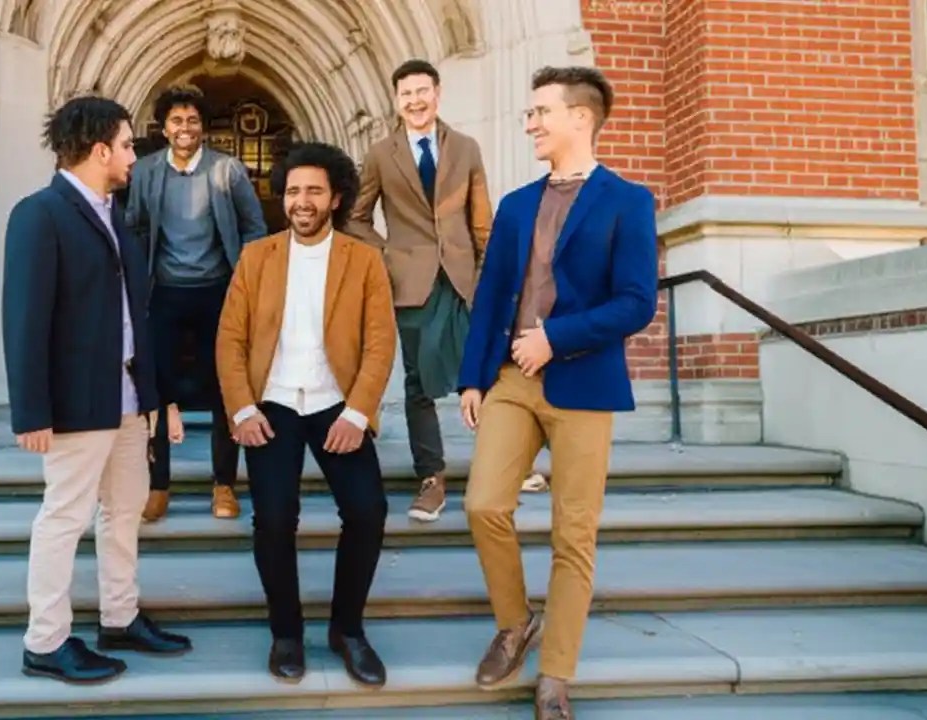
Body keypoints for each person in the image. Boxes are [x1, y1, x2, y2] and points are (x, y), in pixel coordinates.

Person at [456, 66, 658, 719]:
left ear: (581, 117)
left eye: (541, 111)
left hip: (584, 382)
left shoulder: (628, 201)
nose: (530, 122)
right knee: (484, 503)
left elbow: (635, 303)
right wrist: (471, 377)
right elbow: (490, 298)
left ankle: (555, 676)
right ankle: (515, 624)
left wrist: (558, 337)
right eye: (529, 112)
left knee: (575, 534)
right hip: (513, 380)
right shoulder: (516, 205)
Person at [2, 95, 192, 685]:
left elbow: (139, 315)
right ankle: (47, 640)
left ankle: (120, 615)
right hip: (76, 404)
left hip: (130, 402)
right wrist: (31, 409)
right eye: (130, 144)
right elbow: (25, 318)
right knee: (64, 518)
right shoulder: (40, 213)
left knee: (125, 513)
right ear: (100, 148)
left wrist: (158, 398)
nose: (136, 155)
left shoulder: (115, 214)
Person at [215, 142, 397, 687]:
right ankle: (286, 633)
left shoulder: (363, 259)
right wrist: (242, 407)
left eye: (313, 190)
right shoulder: (257, 257)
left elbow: (379, 342)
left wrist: (358, 413)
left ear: (335, 197)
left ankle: (348, 629)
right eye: (293, 190)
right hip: (270, 405)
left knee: (367, 511)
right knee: (273, 519)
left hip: (335, 404)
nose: (301, 200)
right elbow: (230, 338)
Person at [346, 59, 493, 523]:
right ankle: (432, 477)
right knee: (418, 384)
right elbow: (355, 215)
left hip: (463, 279)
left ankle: (502, 461)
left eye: (422, 91)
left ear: (437, 92)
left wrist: (490, 274)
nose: (415, 100)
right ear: (396, 101)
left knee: (484, 371)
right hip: (410, 285)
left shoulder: (466, 148)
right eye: (406, 93)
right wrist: (388, 254)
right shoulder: (379, 154)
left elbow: (481, 218)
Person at [126, 84, 268, 522]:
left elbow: (254, 227)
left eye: (192, 120)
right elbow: (134, 227)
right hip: (165, 294)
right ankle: (158, 487)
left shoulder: (228, 170)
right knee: (155, 391)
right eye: (176, 120)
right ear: (164, 127)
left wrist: (245, 280)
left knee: (226, 389)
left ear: (202, 127)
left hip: (218, 293)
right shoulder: (147, 172)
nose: (184, 128)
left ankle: (223, 486)